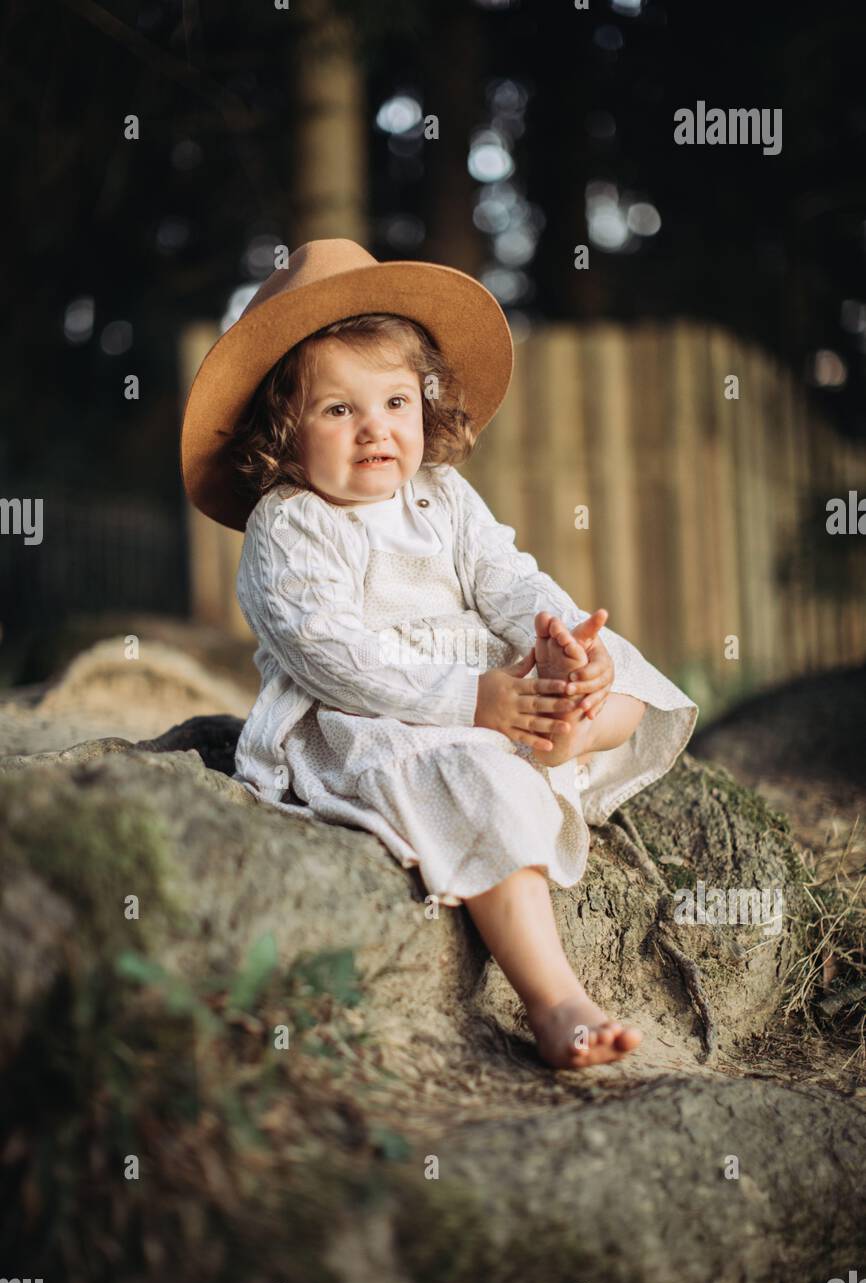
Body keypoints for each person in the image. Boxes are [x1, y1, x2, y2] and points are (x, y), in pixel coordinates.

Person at [180, 239, 698, 1071]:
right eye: (338, 410)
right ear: (284, 430)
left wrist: (560, 640)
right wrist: (472, 702)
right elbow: (330, 654)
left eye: (394, 400)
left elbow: (505, 576)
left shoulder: (442, 495)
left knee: (625, 678)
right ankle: (554, 997)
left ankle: (563, 730)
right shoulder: (292, 524)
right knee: (471, 775)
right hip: (374, 713)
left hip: (483, 682)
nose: (376, 429)